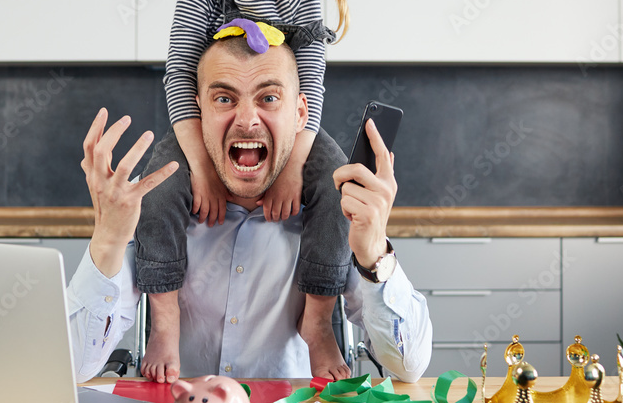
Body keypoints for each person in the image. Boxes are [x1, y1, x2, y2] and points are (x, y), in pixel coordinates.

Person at [68, 20, 432, 383]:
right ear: (198, 114)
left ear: (301, 113)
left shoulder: (334, 212)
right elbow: (75, 366)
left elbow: (409, 367)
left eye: (269, 98)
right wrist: (109, 240)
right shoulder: (145, 203)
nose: (246, 120)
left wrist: (374, 254)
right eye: (224, 98)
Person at [135, 0, 353, 383]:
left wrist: (297, 162)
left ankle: (319, 323)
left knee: (338, 186)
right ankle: (163, 322)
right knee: (157, 187)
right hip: (200, 124)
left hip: (293, 129)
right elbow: (180, 77)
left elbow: (312, 84)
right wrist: (202, 168)